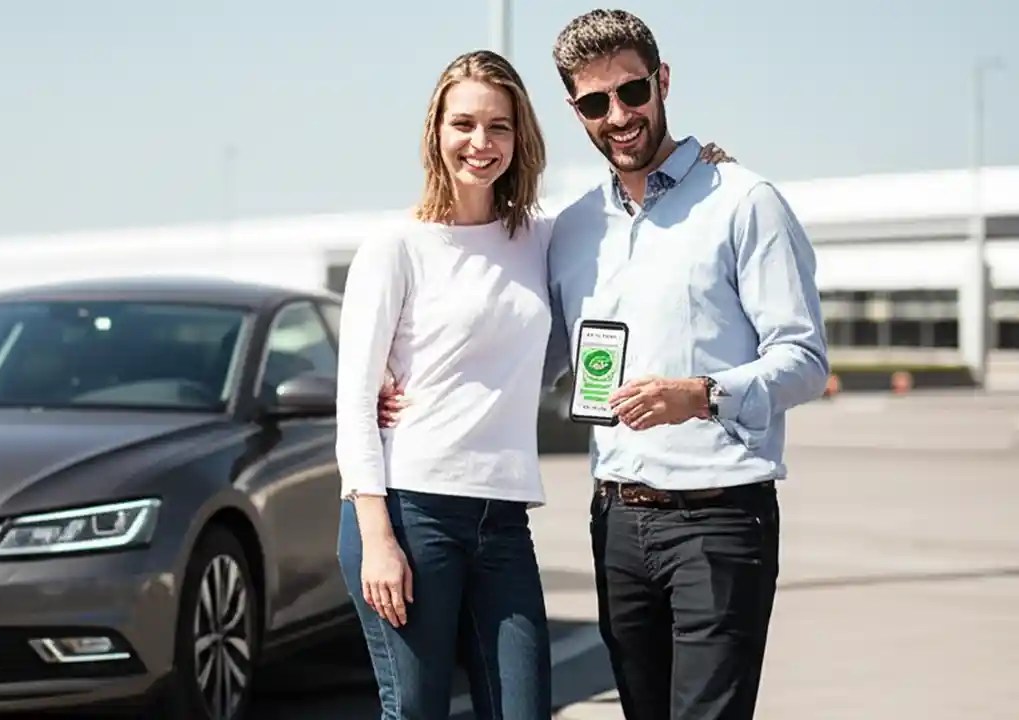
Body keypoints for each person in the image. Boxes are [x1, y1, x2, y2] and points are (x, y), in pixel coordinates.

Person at [545, 9, 829, 720]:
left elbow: (803, 359)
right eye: (594, 102)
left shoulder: (743, 202)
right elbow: (534, 354)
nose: (619, 115)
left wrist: (702, 394)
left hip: (718, 522)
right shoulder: (575, 227)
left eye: (633, 92)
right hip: (614, 524)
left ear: (661, 80)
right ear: (574, 109)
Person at [334, 49, 556, 720]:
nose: (480, 143)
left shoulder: (541, 238)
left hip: (503, 519)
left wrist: (697, 168)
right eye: (464, 124)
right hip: (410, 512)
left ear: (521, 138)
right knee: (417, 710)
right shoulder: (394, 246)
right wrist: (377, 538)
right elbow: (354, 402)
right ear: (436, 130)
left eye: (499, 127)